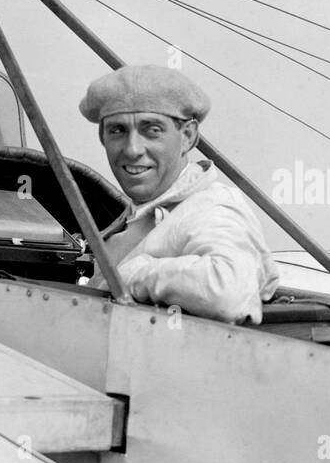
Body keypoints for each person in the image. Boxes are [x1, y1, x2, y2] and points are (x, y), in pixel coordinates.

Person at [78, 64, 279, 323]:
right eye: (117, 130)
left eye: (152, 130)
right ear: (102, 137)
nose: (132, 149)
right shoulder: (140, 213)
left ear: (187, 136)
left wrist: (133, 273)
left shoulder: (211, 207)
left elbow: (229, 291)